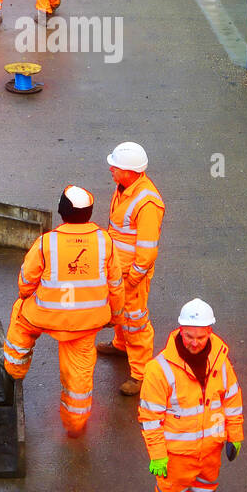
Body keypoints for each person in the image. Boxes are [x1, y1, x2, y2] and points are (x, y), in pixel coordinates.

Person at [3, 185, 125, 437]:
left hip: (44, 315)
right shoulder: (105, 241)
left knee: (21, 315)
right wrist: (115, 315)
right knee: (79, 374)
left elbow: (26, 279)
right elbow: (116, 284)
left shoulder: (47, 243)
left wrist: (26, 297)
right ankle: (75, 423)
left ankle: (14, 370)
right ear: (89, 213)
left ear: (62, 211)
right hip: (87, 322)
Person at [139, 299, 243, 492]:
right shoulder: (159, 370)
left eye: (200, 336)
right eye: (189, 336)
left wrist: (235, 434)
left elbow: (231, 398)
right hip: (176, 457)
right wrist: (158, 454)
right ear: (179, 330)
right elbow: (150, 418)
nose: (195, 343)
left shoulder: (220, 360)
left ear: (209, 332)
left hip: (210, 450)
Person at [98, 142, 165, 395]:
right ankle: (120, 345)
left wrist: (134, 278)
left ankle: (140, 374)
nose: (111, 169)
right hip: (118, 270)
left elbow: (147, 249)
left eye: (115, 167)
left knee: (135, 321)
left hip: (132, 275)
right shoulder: (125, 188)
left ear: (130, 171)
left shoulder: (147, 203)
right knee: (119, 311)